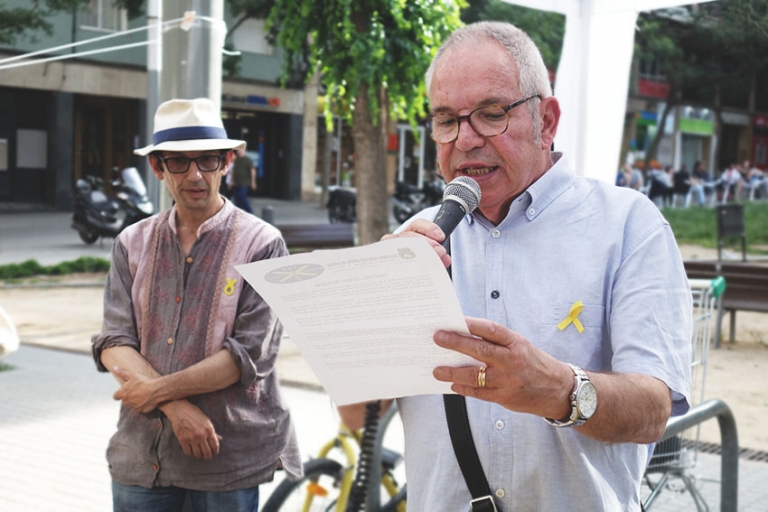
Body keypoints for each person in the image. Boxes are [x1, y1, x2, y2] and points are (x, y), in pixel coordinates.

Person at [339, 22, 692, 512]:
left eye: (490, 114)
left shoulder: (628, 225)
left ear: (546, 121)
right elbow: (357, 416)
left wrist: (560, 391)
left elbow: (654, 411)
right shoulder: (416, 241)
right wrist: (372, 321)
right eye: (446, 119)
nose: (465, 139)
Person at [91, 98, 301, 512]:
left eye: (207, 160)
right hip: (142, 455)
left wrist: (154, 391)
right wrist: (175, 407)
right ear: (157, 168)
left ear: (226, 162)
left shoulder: (262, 244)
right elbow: (114, 342)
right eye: (179, 162)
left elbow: (248, 355)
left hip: (227, 456)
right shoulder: (131, 242)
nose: (195, 175)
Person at [230, 147, 257, 213]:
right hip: (236, 182)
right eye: (238, 150)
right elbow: (232, 171)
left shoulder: (247, 159)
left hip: (244, 182)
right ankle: (238, 212)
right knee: (237, 199)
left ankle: (249, 210)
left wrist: (253, 182)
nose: (239, 152)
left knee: (242, 196)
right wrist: (231, 181)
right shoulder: (236, 160)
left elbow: (252, 171)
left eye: (241, 150)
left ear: (244, 151)